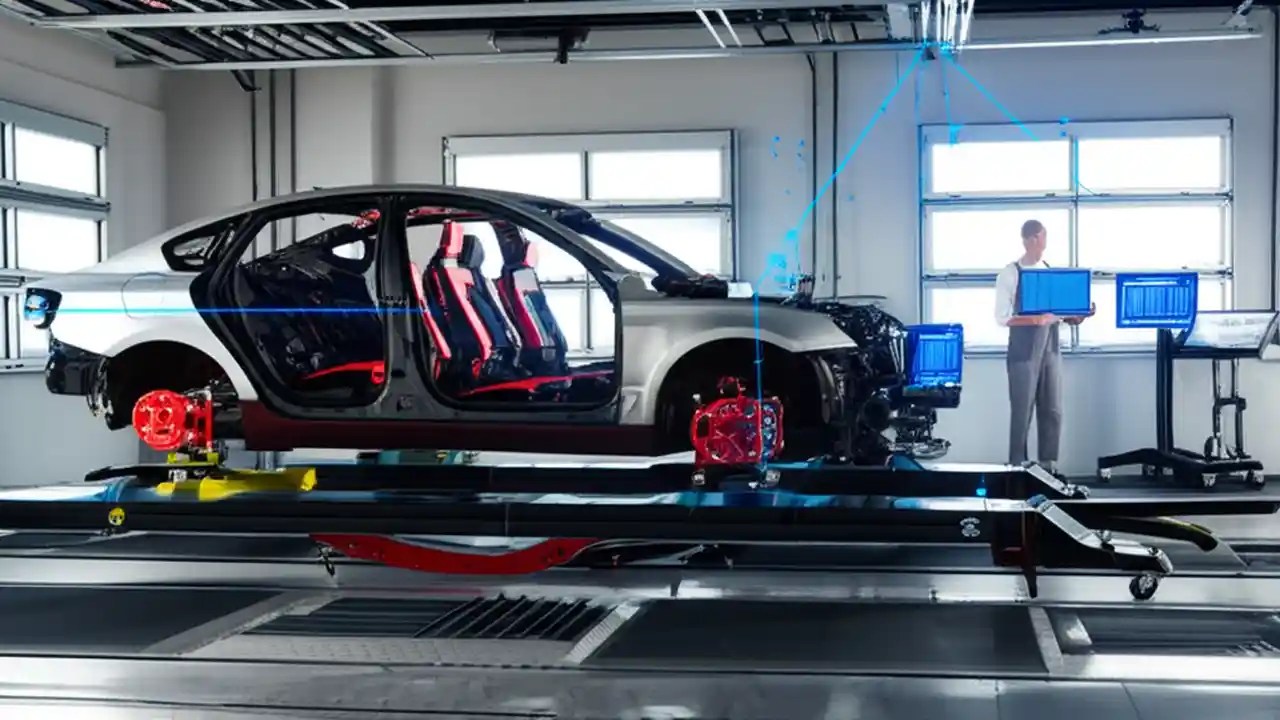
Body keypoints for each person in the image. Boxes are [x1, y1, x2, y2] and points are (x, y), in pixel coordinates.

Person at [993, 219, 1093, 477]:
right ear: (1030, 239)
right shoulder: (1011, 272)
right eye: (1040, 237)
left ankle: (1049, 465)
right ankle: (1017, 465)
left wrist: (1080, 314)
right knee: (1022, 409)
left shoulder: (1049, 271)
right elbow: (1002, 317)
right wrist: (1035, 319)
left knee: (1052, 408)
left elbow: (1060, 312)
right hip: (1023, 350)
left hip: (1050, 347)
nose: (1043, 242)